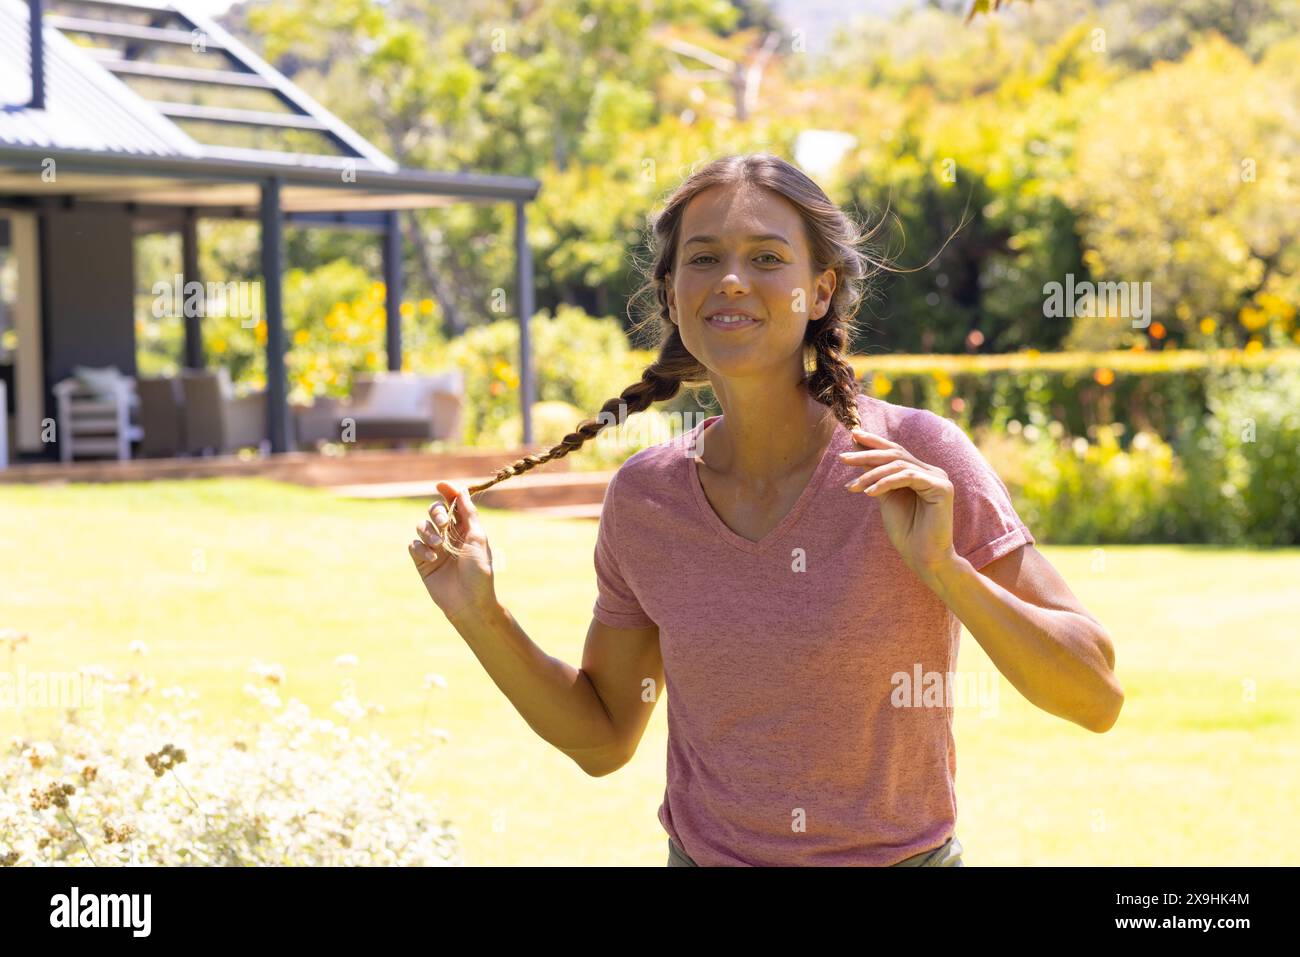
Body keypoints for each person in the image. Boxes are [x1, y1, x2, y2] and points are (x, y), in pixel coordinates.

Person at [408, 153, 1124, 867]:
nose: (730, 279)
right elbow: (603, 738)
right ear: (671, 291)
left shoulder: (917, 457)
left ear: (819, 291)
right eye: (704, 257)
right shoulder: (646, 497)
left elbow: (1096, 696)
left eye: (767, 257)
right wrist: (481, 614)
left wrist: (944, 567)